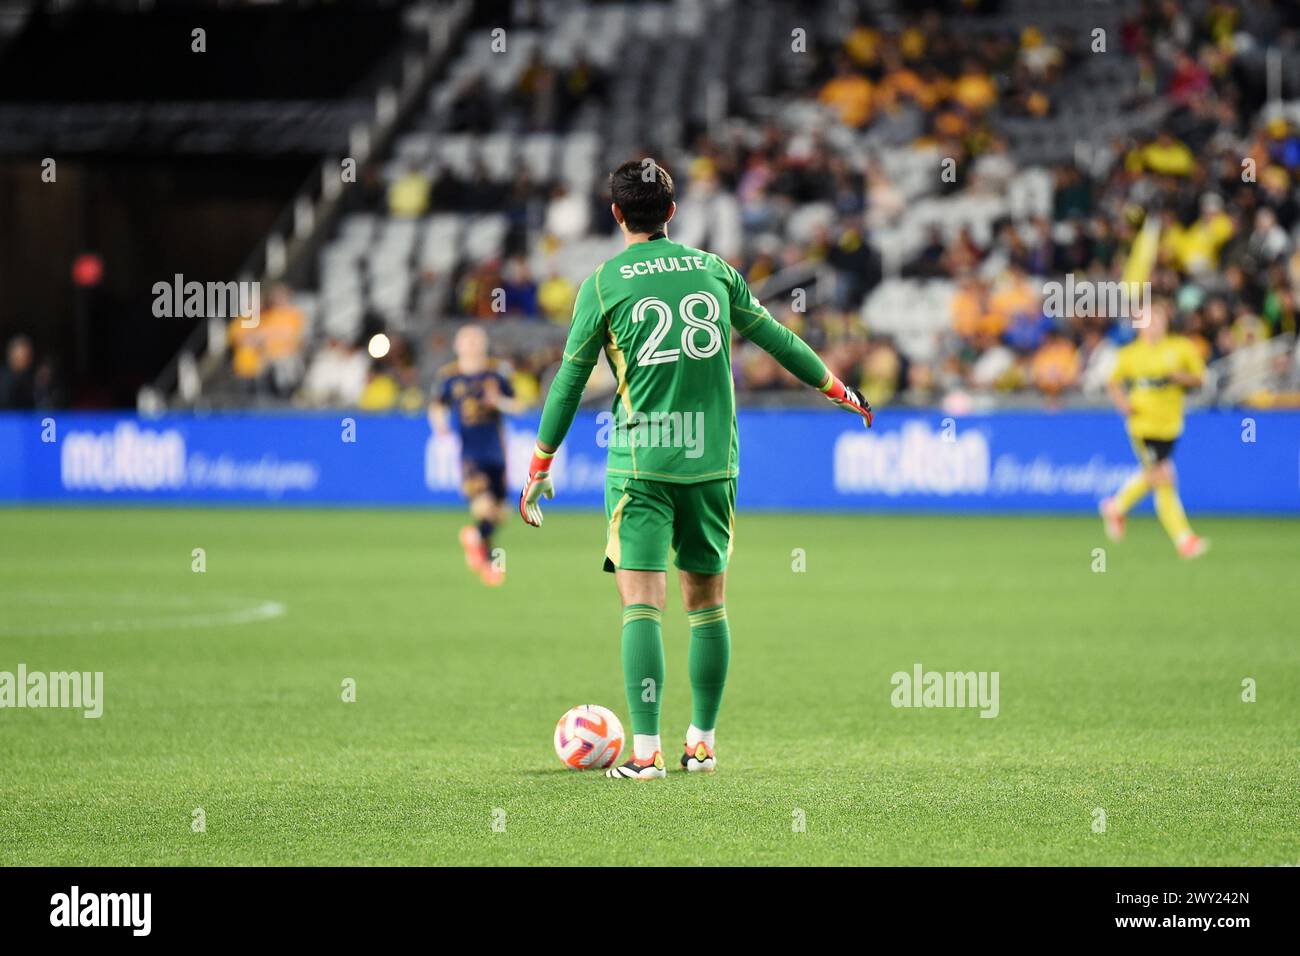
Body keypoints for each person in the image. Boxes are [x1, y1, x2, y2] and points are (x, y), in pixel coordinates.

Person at [518, 161, 872, 780]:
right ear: (673, 212)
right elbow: (776, 339)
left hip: (641, 463)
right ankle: (702, 744)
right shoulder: (713, 270)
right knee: (707, 605)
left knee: (641, 605)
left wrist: (540, 463)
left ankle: (647, 753)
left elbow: (570, 380)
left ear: (617, 213)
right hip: (712, 461)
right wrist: (837, 387)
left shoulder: (603, 284)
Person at [1100, 301, 1209, 559]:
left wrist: (1182, 378)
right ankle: (1185, 540)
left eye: (1157, 320)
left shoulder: (1180, 348)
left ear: (1165, 323)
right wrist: (1123, 404)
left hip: (1170, 424)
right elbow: (1112, 382)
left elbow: (1201, 378)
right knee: (1164, 476)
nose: (1152, 326)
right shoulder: (1130, 353)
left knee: (1158, 477)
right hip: (1143, 425)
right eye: (1147, 321)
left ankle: (1116, 506)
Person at [430, 325, 519, 586]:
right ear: (457, 346)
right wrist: (440, 426)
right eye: (466, 340)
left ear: (484, 344)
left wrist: (498, 402)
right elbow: (436, 405)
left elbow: (516, 405)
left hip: (496, 450)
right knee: (483, 504)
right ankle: (489, 559)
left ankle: (478, 541)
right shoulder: (449, 377)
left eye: (475, 339)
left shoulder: (496, 373)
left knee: (501, 512)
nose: (471, 344)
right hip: (470, 452)